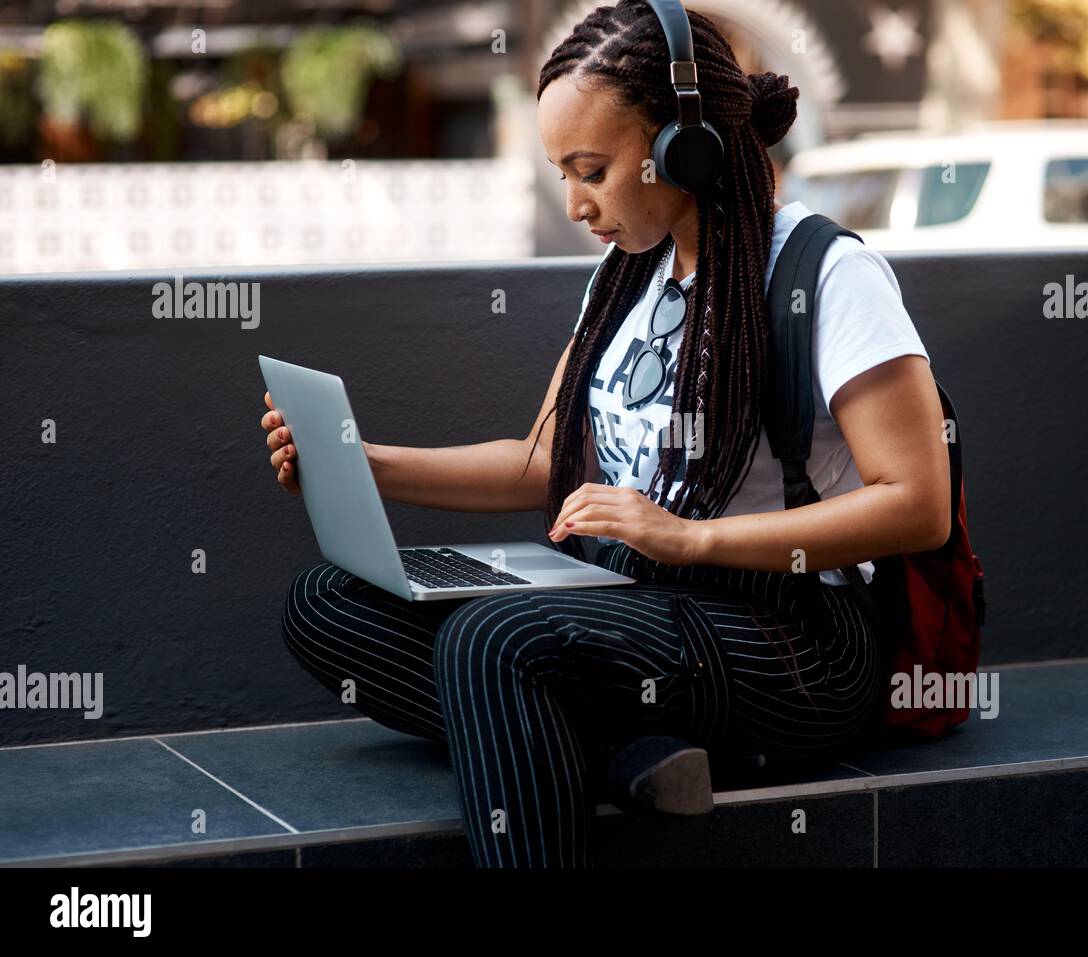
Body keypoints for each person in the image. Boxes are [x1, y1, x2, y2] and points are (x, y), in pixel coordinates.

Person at [262, 0, 949, 868]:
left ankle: (587, 746)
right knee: (329, 604)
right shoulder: (627, 275)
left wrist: (691, 538)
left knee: (492, 644)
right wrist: (361, 465)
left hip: (792, 635)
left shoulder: (828, 275)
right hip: (638, 603)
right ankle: (628, 755)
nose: (577, 202)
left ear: (680, 146)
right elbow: (544, 460)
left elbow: (917, 505)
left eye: (590, 168)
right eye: (562, 173)